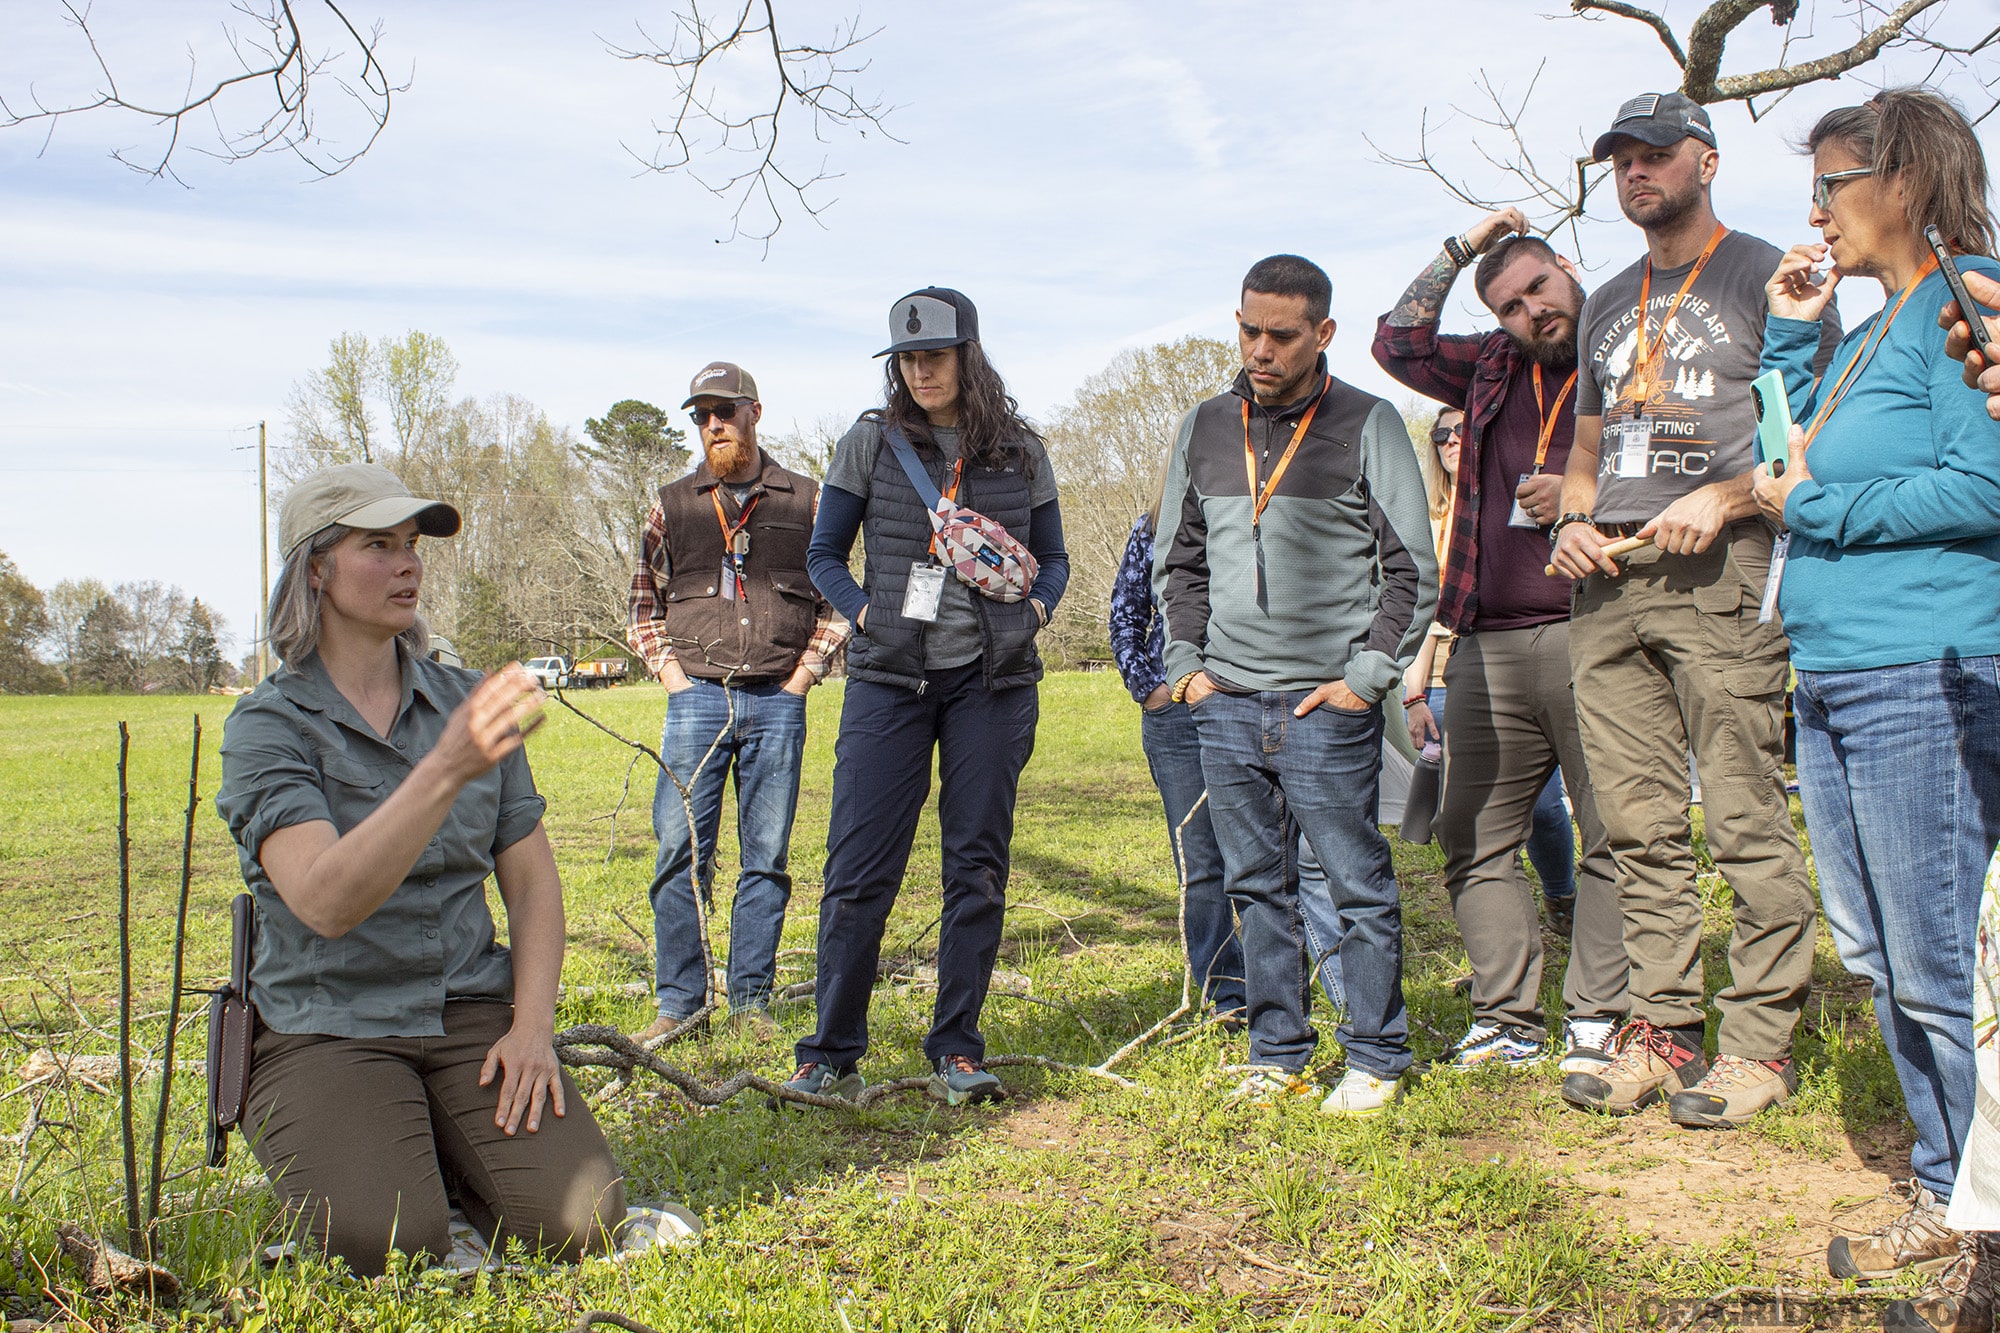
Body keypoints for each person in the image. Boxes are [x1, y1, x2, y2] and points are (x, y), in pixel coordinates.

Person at [214, 463, 624, 1277]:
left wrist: (531, 1027)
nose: (408, 564)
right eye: (378, 545)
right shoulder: (268, 727)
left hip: (465, 1011)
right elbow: (325, 901)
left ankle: (435, 1139)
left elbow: (532, 884)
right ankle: (386, 1142)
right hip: (326, 1023)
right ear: (316, 569)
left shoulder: (465, 702)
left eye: (412, 545)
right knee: (388, 1240)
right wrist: (444, 768)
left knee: (585, 1219)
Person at [1748, 87, 2000, 1292]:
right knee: (1873, 947)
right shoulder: (1869, 329)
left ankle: (1973, 1212)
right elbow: (1787, 456)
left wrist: (1823, 510)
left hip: (1922, 667)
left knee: (1936, 955)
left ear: (1902, 179)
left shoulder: (1964, 303)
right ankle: (1947, 1182)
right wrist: (1793, 333)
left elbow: (1983, 485)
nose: (1814, 211)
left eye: (1830, 183)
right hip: (1834, 673)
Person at [1548, 91, 1840, 1127]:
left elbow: (1811, 428)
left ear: (1705, 162)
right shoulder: (1604, 299)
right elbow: (1585, 448)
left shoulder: (1768, 273)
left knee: (1744, 814)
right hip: (1607, 581)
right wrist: (1568, 521)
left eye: (1656, 153)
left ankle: (1757, 1044)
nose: (1636, 171)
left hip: (1722, 570)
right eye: (1621, 158)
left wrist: (1726, 497)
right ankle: (1662, 1028)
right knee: (1634, 825)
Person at [1155, 254, 1436, 1115]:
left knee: (1355, 887)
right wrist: (1188, 671)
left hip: (1325, 706)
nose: (1261, 349)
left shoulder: (1367, 421)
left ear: (1324, 333)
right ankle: (1278, 1051)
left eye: (1281, 334)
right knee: (1255, 886)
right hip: (1226, 702)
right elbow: (1179, 561)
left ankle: (1376, 1056)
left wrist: (1365, 679)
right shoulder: (1206, 425)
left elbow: (1411, 570)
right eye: (1249, 330)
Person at [788, 287, 1070, 1106]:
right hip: (889, 683)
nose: (920, 371)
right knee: (857, 870)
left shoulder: (1021, 450)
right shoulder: (869, 442)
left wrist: (1036, 612)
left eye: (934, 356)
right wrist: (866, 613)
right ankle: (830, 1052)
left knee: (975, 867)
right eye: (907, 359)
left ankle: (957, 1047)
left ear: (968, 356)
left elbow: (1054, 558)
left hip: (992, 685)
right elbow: (823, 554)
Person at [1372, 210, 1626, 1075]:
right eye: (1510, 305)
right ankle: (1507, 1020)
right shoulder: (1491, 362)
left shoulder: (1629, 348)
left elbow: (1694, 463)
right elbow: (1397, 342)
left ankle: (1598, 1015)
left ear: (1566, 268)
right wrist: (1463, 248)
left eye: (1538, 289)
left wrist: (1592, 493)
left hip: (1600, 626)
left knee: (1612, 835)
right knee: (1472, 836)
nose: (1532, 312)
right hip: (1485, 640)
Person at [625, 361, 849, 1046]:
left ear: (755, 411)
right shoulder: (673, 505)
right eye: (702, 415)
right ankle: (681, 1003)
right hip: (695, 699)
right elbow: (641, 606)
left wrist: (804, 676)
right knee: (677, 853)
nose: (714, 424)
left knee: (766, 859)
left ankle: (750, 1003)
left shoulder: (807, 500)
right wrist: (671, 678)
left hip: (778, 700)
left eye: (725, 411)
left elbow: (839, 598)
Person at [1404, 405, 1580, 939]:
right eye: (1441, 434)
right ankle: (1497, 938)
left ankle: (1562, 897)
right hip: (1442, 678)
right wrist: (1414, 695)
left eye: (1462, 429)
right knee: (1471, 819)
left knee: (1543, 807)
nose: (1451, 440)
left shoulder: (1515, 505)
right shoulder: (1428, 520)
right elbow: (1420, 613)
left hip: (1515, 661)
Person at [1110, 494, 1247, 1026]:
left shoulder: (1251, 511)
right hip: (1175, 715)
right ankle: (1227, 994)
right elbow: (1126, 615)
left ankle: (1284, 982)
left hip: (1249, 702)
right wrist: (1150, 688)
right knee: (1200, 859)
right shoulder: (1152, 527)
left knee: (1264, 854)